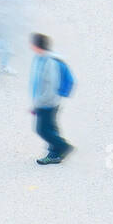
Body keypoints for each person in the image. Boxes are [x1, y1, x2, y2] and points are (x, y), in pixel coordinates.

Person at [30, 34, 74, 165]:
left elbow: (51, 85)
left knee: (41, 129)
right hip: (48, 101)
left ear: (37, 46)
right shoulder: (43, 58)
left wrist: (39, 103)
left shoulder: (49, 62)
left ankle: (63, 147)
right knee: (51, 128)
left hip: (48, 102)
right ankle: (55, 153)